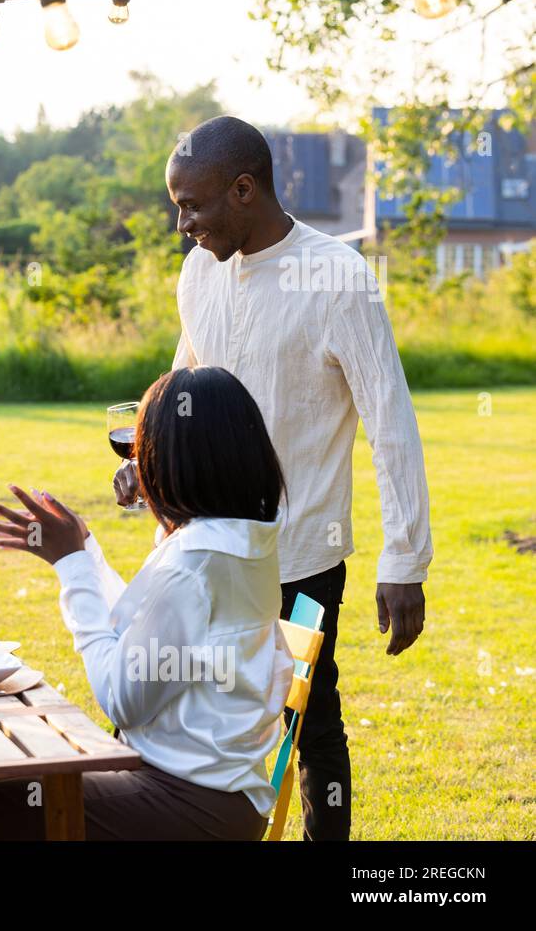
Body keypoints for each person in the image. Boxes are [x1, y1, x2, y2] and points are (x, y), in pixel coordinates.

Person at [119, 115, 433, 840]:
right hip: (203, 551)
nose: (181, 223)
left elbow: (390, 421)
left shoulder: (338, 279)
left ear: (243, 189)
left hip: (301, 556)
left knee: (310, 722)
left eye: (192, 205)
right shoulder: (198, 273)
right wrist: (148, 464)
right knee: (177, 706)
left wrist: (404, 559)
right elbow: (184, 388)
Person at [0, 366, 295, 840]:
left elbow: (123, 699)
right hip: (221, 797)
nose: (136, 462)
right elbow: (152, 629)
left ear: (171, 458)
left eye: (146, 448)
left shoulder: (193, 566)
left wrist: (72, 568)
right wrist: (84, 550)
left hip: (186, 803)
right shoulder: (240, 540)